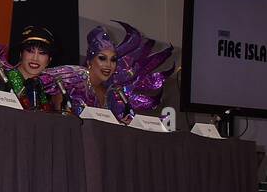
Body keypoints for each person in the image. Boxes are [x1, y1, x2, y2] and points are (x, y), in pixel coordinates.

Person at [42, 21, 174, 122]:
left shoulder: (111, 93)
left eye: (113, 60)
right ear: (89, 62)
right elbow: (60, 116)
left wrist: (121, 123)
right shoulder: (75, 77)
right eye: (102, 58)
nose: (108, 65)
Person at [0, 25, 63, 111]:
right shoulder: (4, 81)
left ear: (49, 60)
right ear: (21, 54)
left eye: (42, 53)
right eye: (30, 51)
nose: (35, 58)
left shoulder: (47, 91)